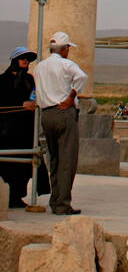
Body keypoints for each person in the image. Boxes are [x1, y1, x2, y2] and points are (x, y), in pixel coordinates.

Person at [33, 31, 87, 215]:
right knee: (67, 160)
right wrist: (71, 96)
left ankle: (55, 199)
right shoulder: (66, 64)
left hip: (46, 114)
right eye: (68, 48)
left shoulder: (40, 66)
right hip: (63, 112)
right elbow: (82, 77)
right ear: (64, 49)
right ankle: (62, 203)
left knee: (54, 159)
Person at [0, 47, 47, 207]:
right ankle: (8, 196)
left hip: (27, 128)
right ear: (15, 61)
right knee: (9, 164)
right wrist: (20, 104)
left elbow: (34, 95)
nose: (25, 61)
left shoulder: (29, 79)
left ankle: (18, 196)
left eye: (27, 59)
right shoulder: (3, 80)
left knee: (26, 164)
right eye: (22, 58)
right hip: (8, 129)